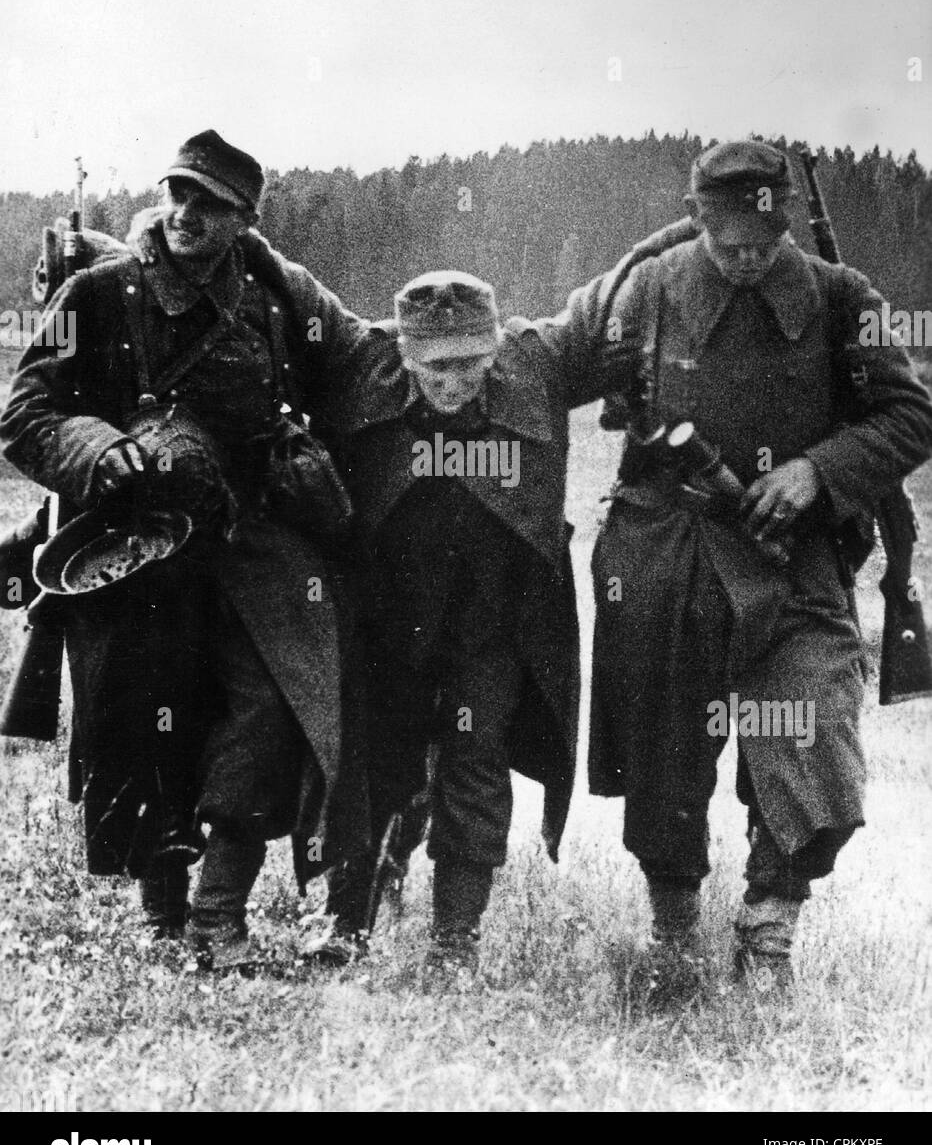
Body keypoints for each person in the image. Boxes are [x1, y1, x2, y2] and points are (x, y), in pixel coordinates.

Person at [0, 130, 369, 971]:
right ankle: (163, 911)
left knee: (273, 711)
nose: (187, 214)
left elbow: (352, 367)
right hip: (138, 542)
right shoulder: (99, 295)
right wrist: (100, 450)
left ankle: (218, 913)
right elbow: (25, 415)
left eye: (211, 203)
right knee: (144, 722)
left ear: (245, 219)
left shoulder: (276, 303)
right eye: (178, 193)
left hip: (249, 541)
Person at [587, 140, 932, 995]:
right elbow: (572, 362)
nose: (745, 256)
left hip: (794, 565)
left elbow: (911, 414)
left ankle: (768, 931)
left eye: (762, 239)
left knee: (807, 732)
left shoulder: (844, 296)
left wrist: (818, 470)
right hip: (671, 553)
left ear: (784, 217)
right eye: (727, 238)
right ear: (697, 216)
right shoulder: (649, 285)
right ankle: (671, 934)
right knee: (667, 752)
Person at [319, 269, 626, 973]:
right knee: (373, 760)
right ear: (404, 354)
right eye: (436, 368)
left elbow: (610, 292)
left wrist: (697, 223)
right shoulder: (361, 362)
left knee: (476, 764)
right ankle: (348, 920)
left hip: (493, 628)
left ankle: (455, 938)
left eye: (469, 365)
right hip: (389, 623)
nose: (453, 383)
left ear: (494, 352)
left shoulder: (538, 361)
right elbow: (295, 286)